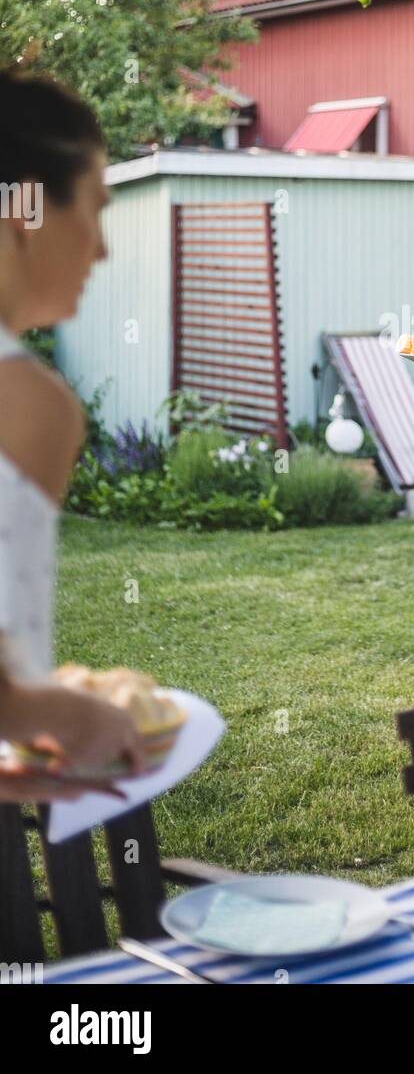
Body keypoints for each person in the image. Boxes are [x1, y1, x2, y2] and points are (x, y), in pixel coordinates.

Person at [0, 67, 146, 803]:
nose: (101, 249)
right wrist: (56, 711)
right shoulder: (28, 405)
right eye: (97, 207)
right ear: (26, 205)